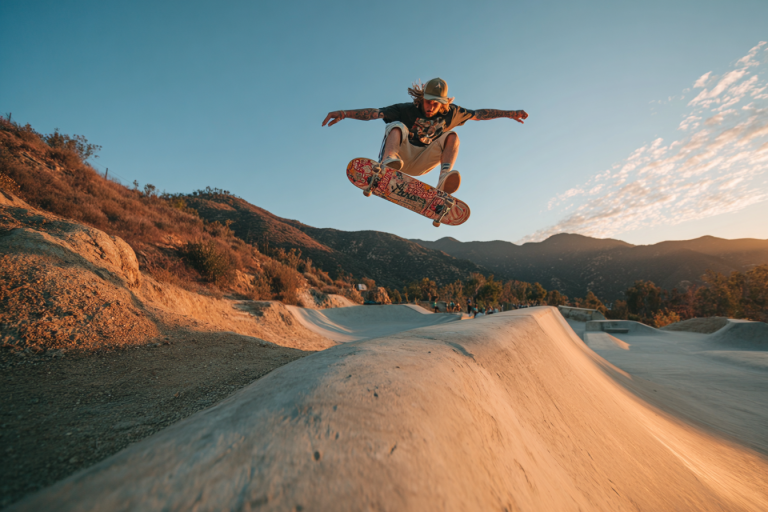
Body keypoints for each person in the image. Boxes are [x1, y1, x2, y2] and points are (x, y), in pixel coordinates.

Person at [323, 78, 528, 193]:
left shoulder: (452, 113)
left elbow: (480, 114)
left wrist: (510, 114)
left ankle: (444, 178)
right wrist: (344, 114)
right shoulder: (404, 109)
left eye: (436, 103)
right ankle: (388, 162)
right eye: (427, 101)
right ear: (421, 98)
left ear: (443, 103)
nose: (430, 107)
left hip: (423, 163)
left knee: (452, 135)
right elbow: (374, 113)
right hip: (401, 157)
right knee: (396, 125)